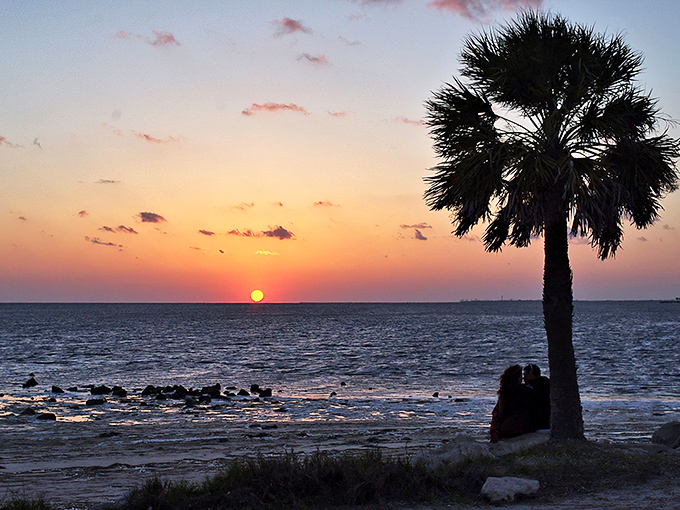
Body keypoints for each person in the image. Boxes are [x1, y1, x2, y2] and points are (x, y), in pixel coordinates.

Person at [490, 364, 537, 442]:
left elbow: (501, 413)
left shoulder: (504, 392)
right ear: (518, 378)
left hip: (506, 429)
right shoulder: (527, 391)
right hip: (523, 428)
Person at [524, 363, 551, 431]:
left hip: (536, 423)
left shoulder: (530, 387)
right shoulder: (548, 384)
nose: (524, 377)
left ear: (530, 373)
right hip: (549, 421)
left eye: (525, 374)